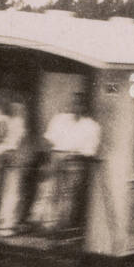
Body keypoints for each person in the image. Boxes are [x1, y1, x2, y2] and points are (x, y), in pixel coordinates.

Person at [36, 90, 101, 230]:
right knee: (49, 187)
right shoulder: (60, 119)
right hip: (56, 157)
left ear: (85, 107)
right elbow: (48, 140)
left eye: (79, 104)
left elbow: (90, 151)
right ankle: (46, 223)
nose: (75, 106)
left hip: (75, 161)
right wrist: (48, 159)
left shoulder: (91, 126)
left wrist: (72, 157)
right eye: (74, 102)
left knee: (67, 193)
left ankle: (61, 224)